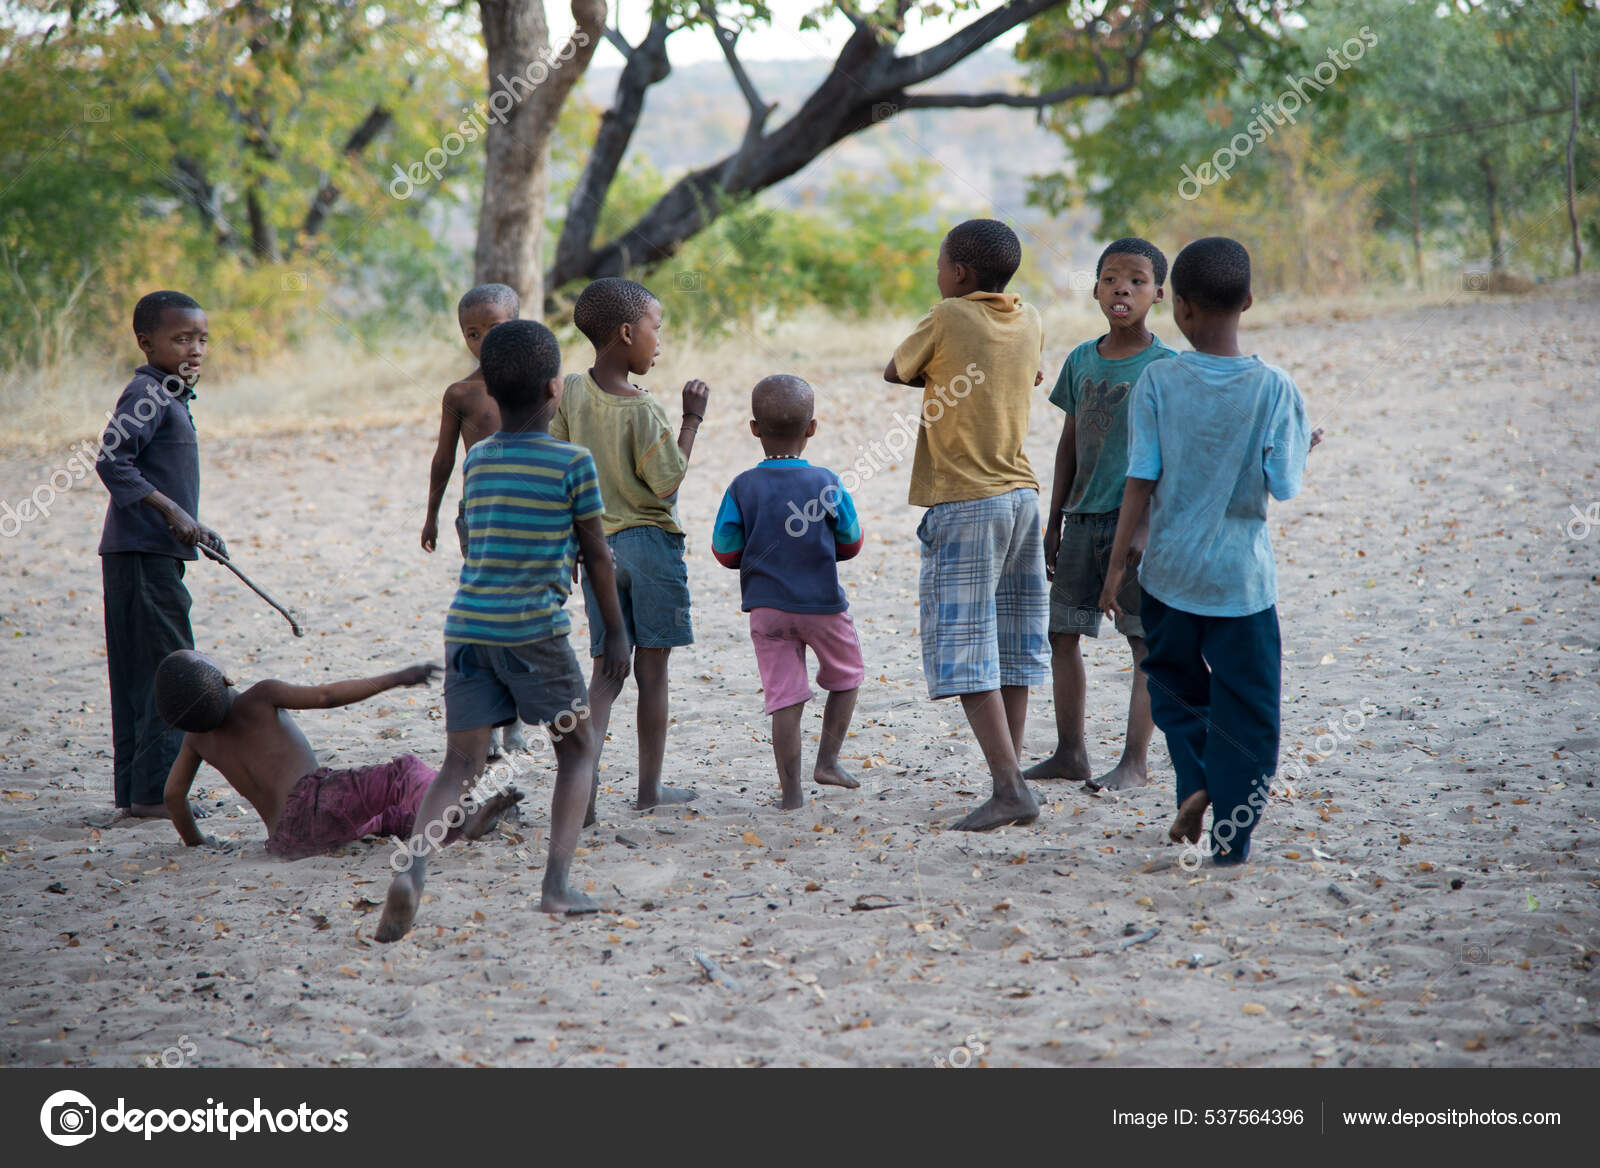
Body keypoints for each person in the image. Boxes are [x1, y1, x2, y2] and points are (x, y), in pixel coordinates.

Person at [378, 320, 630, 940]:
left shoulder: (482, 459)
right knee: (577, 749)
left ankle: (412, 870)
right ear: (556, 389)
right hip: (535, 638)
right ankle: (556, 887)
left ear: (490, 388)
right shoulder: (574, 463)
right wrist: (616, 633)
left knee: (459, 764)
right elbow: (596, 555)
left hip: (467, 629)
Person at [1099, 237, 1322, 866]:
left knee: (1172, 685)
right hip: (1241, 584)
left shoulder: (1158, 379)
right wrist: (1305, 446)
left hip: (1169, 574)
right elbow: (1283, 483)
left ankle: (1194, 773)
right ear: (1248, 301)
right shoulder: (1276, 388)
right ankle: (1232, 840)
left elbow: (1139, 480)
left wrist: (1117, 567)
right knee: (1249, 712)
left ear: (1181, 309)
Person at [884, 218, 1049, 831]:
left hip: (965, 501)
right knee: (1012, 642)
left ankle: (1009, 788)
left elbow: (896, 370)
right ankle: (1009, 778)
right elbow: (1030, 374)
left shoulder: (949, 315)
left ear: (959, 273)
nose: (936, 274)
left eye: (939, 265)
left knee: (966, 646)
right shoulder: (1030, 318)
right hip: (1022, 497)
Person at [551, 278, 709, 819]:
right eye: (654, 329)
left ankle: (582, 791)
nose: (658, 341)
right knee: (653, 673)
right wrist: (691, 419)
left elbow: (559, 465)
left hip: (598, 551)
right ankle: (649, 789)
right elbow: (667, 484)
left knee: (605, 673)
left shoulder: (571, 391)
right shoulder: (645, 410)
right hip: (650, 546)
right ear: (626, 332)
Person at [1027, 238, 1175, 791]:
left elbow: (1171, 460)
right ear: (1095, 290)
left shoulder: (1167, 368)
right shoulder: (1081, 360)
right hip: (1081, 519)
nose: (1123, 289)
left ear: (1158, 294)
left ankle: (1134, 761)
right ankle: (1071, 753)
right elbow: (1069, 443)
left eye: (1137, 280)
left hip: (1132, 525)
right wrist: (1054, 518)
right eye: (1111, 278)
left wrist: (1143, 527)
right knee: (1062, 634)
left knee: (1142, 642)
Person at [154, 652, 518, 858]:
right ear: (224, 680)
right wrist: (394, 678)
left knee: (392, 815)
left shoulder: (195, 741)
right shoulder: (261, 697)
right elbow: (326, 697)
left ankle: (459, 823)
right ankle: (465, 816)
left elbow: (173, 796)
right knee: (402, 774)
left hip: (286, 841)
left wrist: (197, 843)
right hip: (315, 801)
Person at [97, 291, 226, 821]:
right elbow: (112, 461)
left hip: (144, 553)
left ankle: (136, 793)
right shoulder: (147, 394)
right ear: (146, 342)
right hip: (142, 557)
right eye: (181, 339)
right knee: (171, 673)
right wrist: (173, 511)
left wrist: (197, 527)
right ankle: (154, 793)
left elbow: (150, 471)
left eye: (201, 339)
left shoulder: (169, 394)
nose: (195, 349)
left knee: (141, 673)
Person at [711, 375, 865, 809]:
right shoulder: (827, 481)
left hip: (766, 610)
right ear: (812, 428)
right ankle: (828, 761)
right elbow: (851, 543)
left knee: (785, 698)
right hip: (822, 603)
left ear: (754, 428)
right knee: (848, 676)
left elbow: (725, 552)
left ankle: (791, 795)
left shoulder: (742, 486)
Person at [419, 282, 526, 758]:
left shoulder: (541, 387)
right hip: (479, 519)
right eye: (472, 332)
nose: (483, 340)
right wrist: (432, 517)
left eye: (495, 329)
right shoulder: (461, 394)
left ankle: (514, 725)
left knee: (525, 616)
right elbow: (443, 459)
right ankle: (499, 719)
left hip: (532, 517)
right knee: (492, 616)